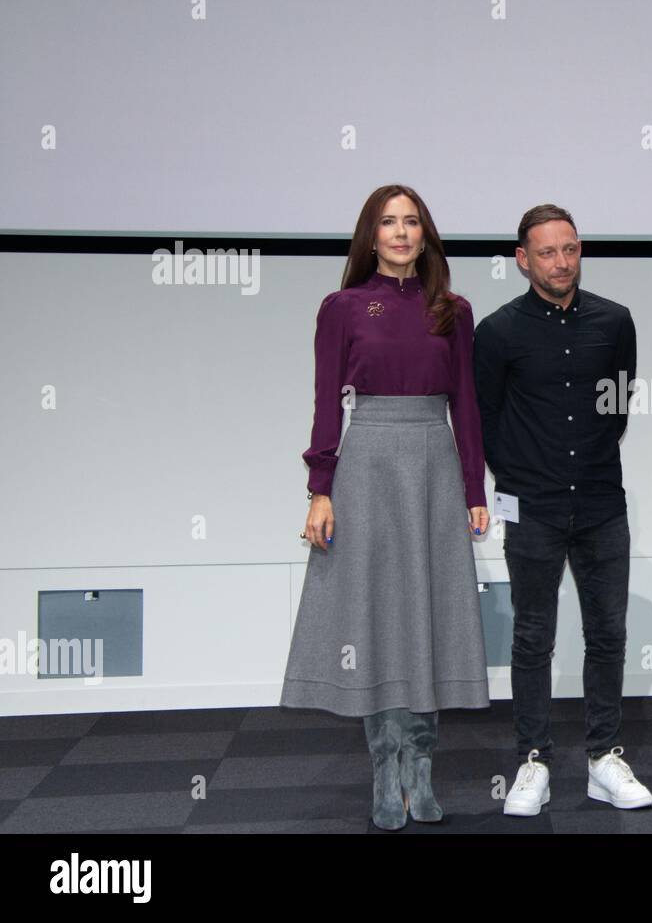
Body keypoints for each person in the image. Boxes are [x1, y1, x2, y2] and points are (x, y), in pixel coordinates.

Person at [281, 184, 491, 830]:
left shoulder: (452, 309)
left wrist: (474, 489)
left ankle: (422, 767)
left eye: (412, 222)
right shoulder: (341, 307)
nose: (401, 232)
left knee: (428, 613)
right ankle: (384, 766)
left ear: (425, 235)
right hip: (367, 462)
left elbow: (467, 406)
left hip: (432, 461)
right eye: (388, 222)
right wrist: (321, 487)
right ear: (371, 236)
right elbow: (324, 402)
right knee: (374, 616)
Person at [473, 204, 652, 816]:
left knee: (609, 635)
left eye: (570, 249)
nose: (561, 262)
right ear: (523, 260)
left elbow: (619, 405)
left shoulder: (616, 321)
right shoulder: (496, 333)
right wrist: (519, 479)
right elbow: (487, 421)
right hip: (533, 509)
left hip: (603, 502)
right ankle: (534, 760)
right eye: (547, 252)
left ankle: (604, 757)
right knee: (532, 638)